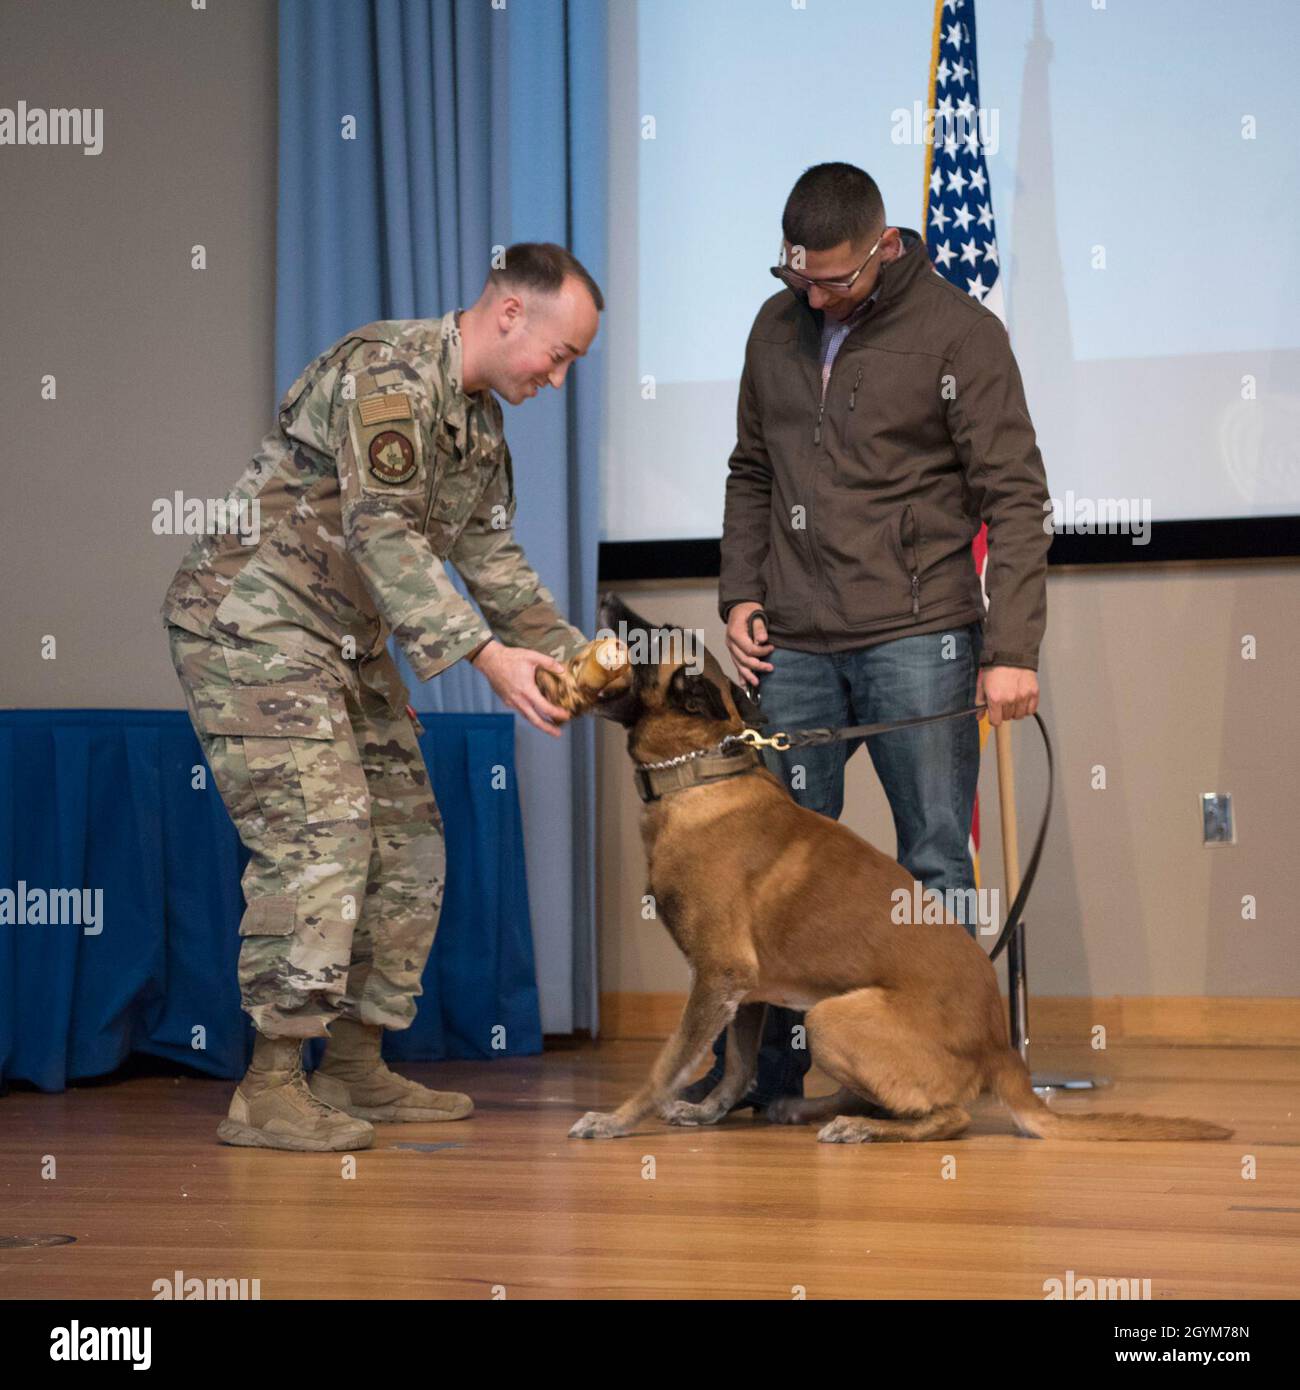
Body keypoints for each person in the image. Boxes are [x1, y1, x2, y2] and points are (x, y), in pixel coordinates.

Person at [161, 242, 602, 1151]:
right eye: (559, 357)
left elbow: (494, 564)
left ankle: (355, 1066)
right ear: (511, 312)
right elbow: (384, 531)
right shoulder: (386, 373)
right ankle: (271, 1086)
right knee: (323, 828)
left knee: (409, 837)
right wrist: (487, 656)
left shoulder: (479, 428)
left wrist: (574, 655)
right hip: (254, 623)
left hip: (346, 642)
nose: (557, 380)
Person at [685, 162, 1050, 1112]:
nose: (811, 296)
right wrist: (739, 594)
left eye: (831, 281)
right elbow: (750, 471)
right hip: (793, 642)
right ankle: (770, 1083)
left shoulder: (961, 334)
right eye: (795, 277)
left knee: (929, 863)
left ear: (885, 247)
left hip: (919, 636)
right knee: (778, 876)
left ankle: (937, 1078)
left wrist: (1012, 648)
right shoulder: (775, 328)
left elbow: (1015, 499)